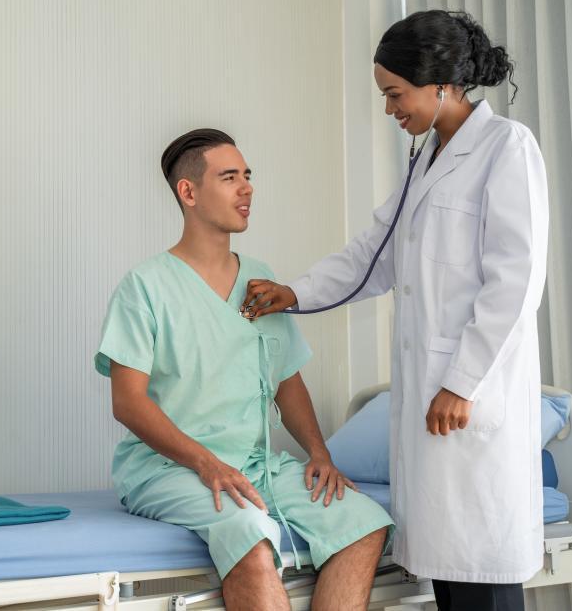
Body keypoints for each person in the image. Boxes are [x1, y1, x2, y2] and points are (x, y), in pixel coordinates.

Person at [241, 10, 548, 611]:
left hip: (469, 401)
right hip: (432, 411)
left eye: (394, 94)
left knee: (484, 580)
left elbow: (515, 281)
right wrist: (294, 292)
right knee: (454, 583)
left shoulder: (506, 147)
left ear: (439, 84)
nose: (389, 110)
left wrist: (462, 384)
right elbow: (372, 255)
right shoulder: (428, 160)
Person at [94, 128, 394, 611]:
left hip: (253, 466)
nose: (247, 188)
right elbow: (128, 402)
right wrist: (206, 462)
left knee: (364, 522)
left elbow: (286, 381)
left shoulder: (259, 279)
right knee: (251, 531)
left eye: (247, 176)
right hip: (168, 469)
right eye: (229, 177)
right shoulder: (145, 286)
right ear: (188, 192)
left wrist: (318, 452)